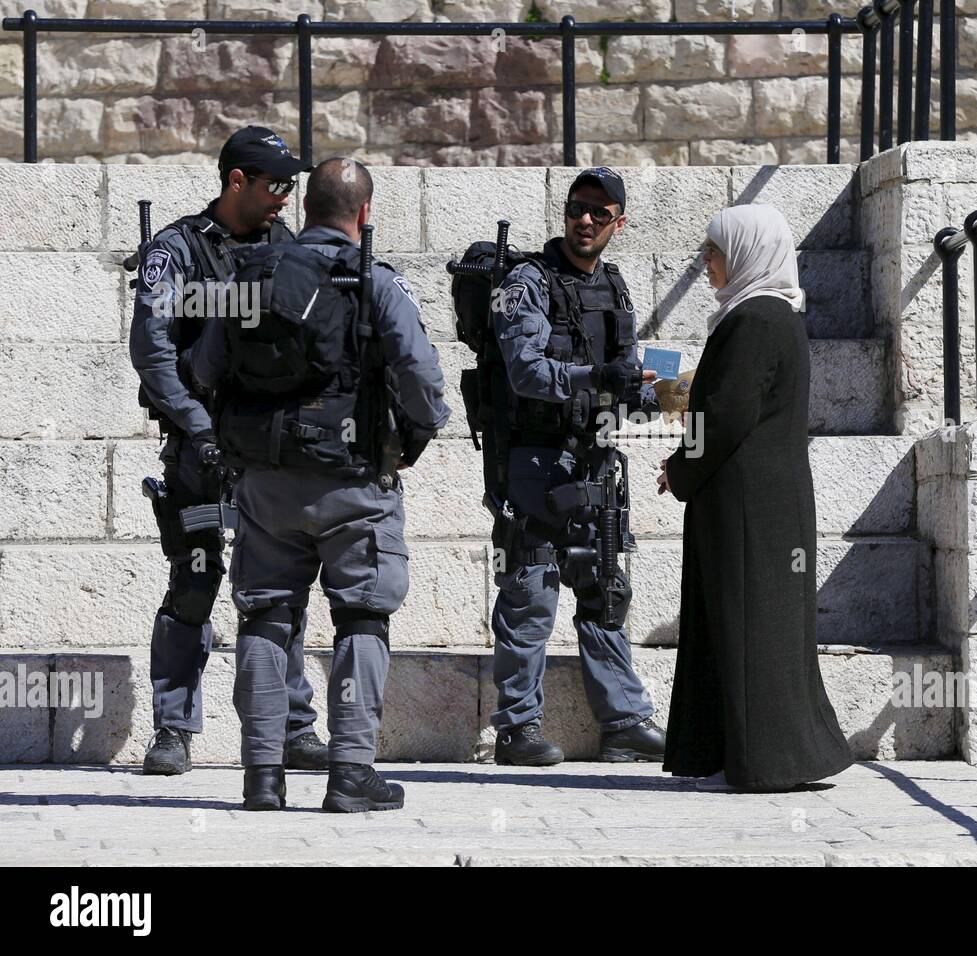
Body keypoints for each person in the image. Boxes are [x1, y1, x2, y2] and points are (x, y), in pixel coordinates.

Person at [192, 157, 451, 811]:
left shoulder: (248, 276)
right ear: (364, 214)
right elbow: (421, 377)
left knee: (264, 616)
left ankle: (262, 777)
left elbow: (202, 368)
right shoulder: (374, 281)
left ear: (304, 208)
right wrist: (414, 440)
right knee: (362, 616)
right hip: (354, 484)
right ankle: (348, 776)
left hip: (266, 483)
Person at [128, 126, 327, 776]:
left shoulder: (285, 246)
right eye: (275, 185)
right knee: (194, 577)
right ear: (236, 181)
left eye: (292, 187)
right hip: (201, 450)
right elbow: (152, 353)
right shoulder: (176, 250)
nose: (285, 198)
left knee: (278, 590)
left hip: (271, 451)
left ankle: (293, 726)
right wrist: (199, 428)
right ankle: (172, 731)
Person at [657, 204, 855, 793]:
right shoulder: (768, 314)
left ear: (745, 253)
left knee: (753, 628)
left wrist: (680, 466)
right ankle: (752, 752)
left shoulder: (755, 320)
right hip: (759, 501)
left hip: (749, 507)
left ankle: (772, 760)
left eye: (714, 252)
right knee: (750, 626)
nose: (706, 262)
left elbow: (724, 415)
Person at [485, 167, 666, 766]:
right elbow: (526, 372)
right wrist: (597, 377)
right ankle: (517, 729)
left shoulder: (614, 287)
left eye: (599, 210)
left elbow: (628, 375)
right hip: (535, 462)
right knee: (530, 595)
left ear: (619, 221)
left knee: (605, 588)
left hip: (598, 460)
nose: (584, 219)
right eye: (575, 207)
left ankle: (623, 723)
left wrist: (663, 390)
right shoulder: (527, 282)